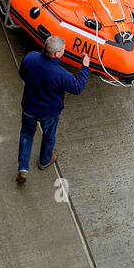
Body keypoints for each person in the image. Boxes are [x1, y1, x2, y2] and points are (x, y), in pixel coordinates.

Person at [17, 37, 90, 184]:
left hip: (29, 107)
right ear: (57, 54)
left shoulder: (30, 58)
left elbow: (22, 74)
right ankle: (45, 161)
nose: (64, 52)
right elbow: (77, 88)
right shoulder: (62, 74)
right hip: (49, 113)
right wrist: (85, 67)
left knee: (26, 134)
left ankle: (23, 169)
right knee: (49, 136)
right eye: (63, 50)